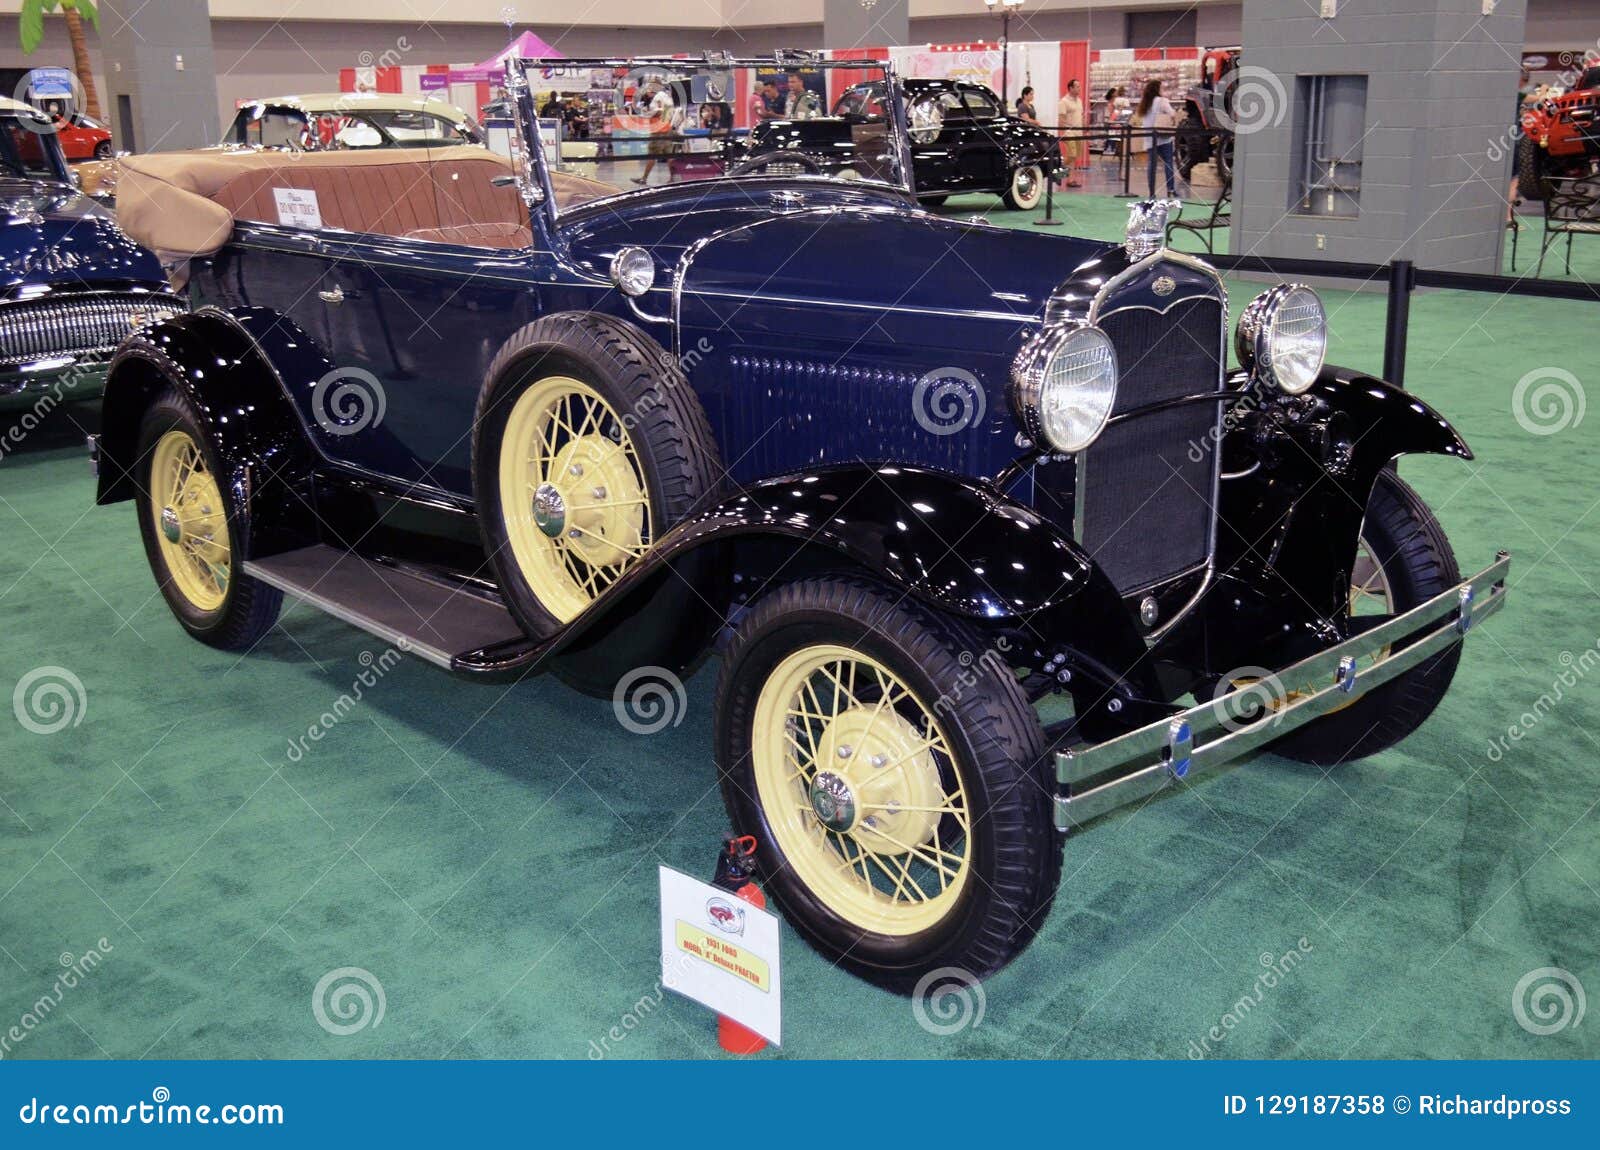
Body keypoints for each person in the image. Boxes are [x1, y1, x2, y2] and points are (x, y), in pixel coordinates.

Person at [1134, 78, 1178, 197]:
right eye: (1161, 87)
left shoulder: (1145, 103)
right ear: (1157, 89)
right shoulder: (1162, 101)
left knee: (1151, 165)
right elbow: (1172, 114)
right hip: (1163, 137)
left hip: (1149, 138)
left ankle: (1151, 192)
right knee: (1168, 163)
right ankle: (1171, 189)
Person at [633, 79, 678, 185]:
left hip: (658, 131)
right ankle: (672, 178)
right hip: (666, 129)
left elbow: (659, 112)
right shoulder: (666, 96)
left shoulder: (658, 97)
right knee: (669, 155)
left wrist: (647, 113)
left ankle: (644, 179)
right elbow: (667, 113)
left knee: (652, 155)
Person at [1057, 78, 1084, 187]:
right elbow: (1061, 119)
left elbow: (1080, 116)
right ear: (1070, 88)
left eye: (1079, 86)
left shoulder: (1079, 101)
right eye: (1077, 86)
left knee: (1074, 157)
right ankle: (1057, 172)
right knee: (1071, 155)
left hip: (1078, 132)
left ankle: (1070, 180)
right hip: (1069, 132)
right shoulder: (1063, 102)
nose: (1079, 88)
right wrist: (1063, 133)